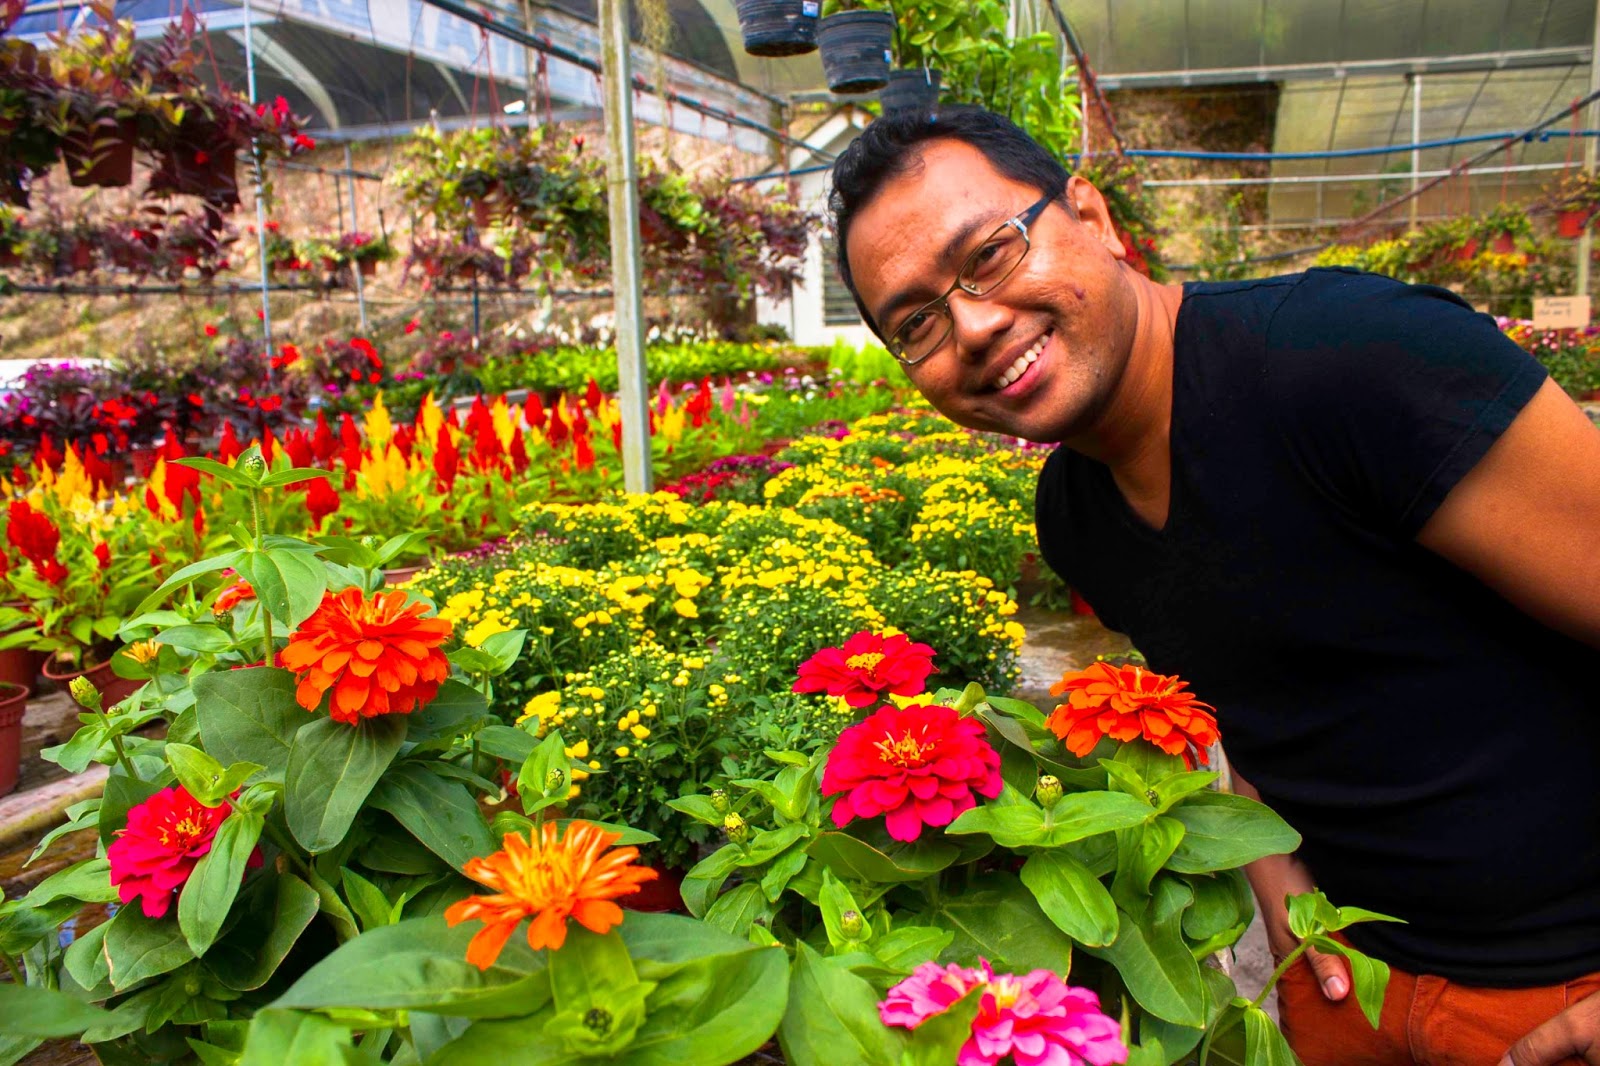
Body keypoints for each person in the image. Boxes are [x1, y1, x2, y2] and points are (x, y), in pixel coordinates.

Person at [827, 104, 1600, 1066]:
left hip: (1562, 991)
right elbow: (1244, 691)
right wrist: (1270, 866)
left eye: (990, 254)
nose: (975, 325)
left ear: (1094, 218)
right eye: (918, 322)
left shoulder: (1349, 361)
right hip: (1343, 983)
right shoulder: (1075, 514)